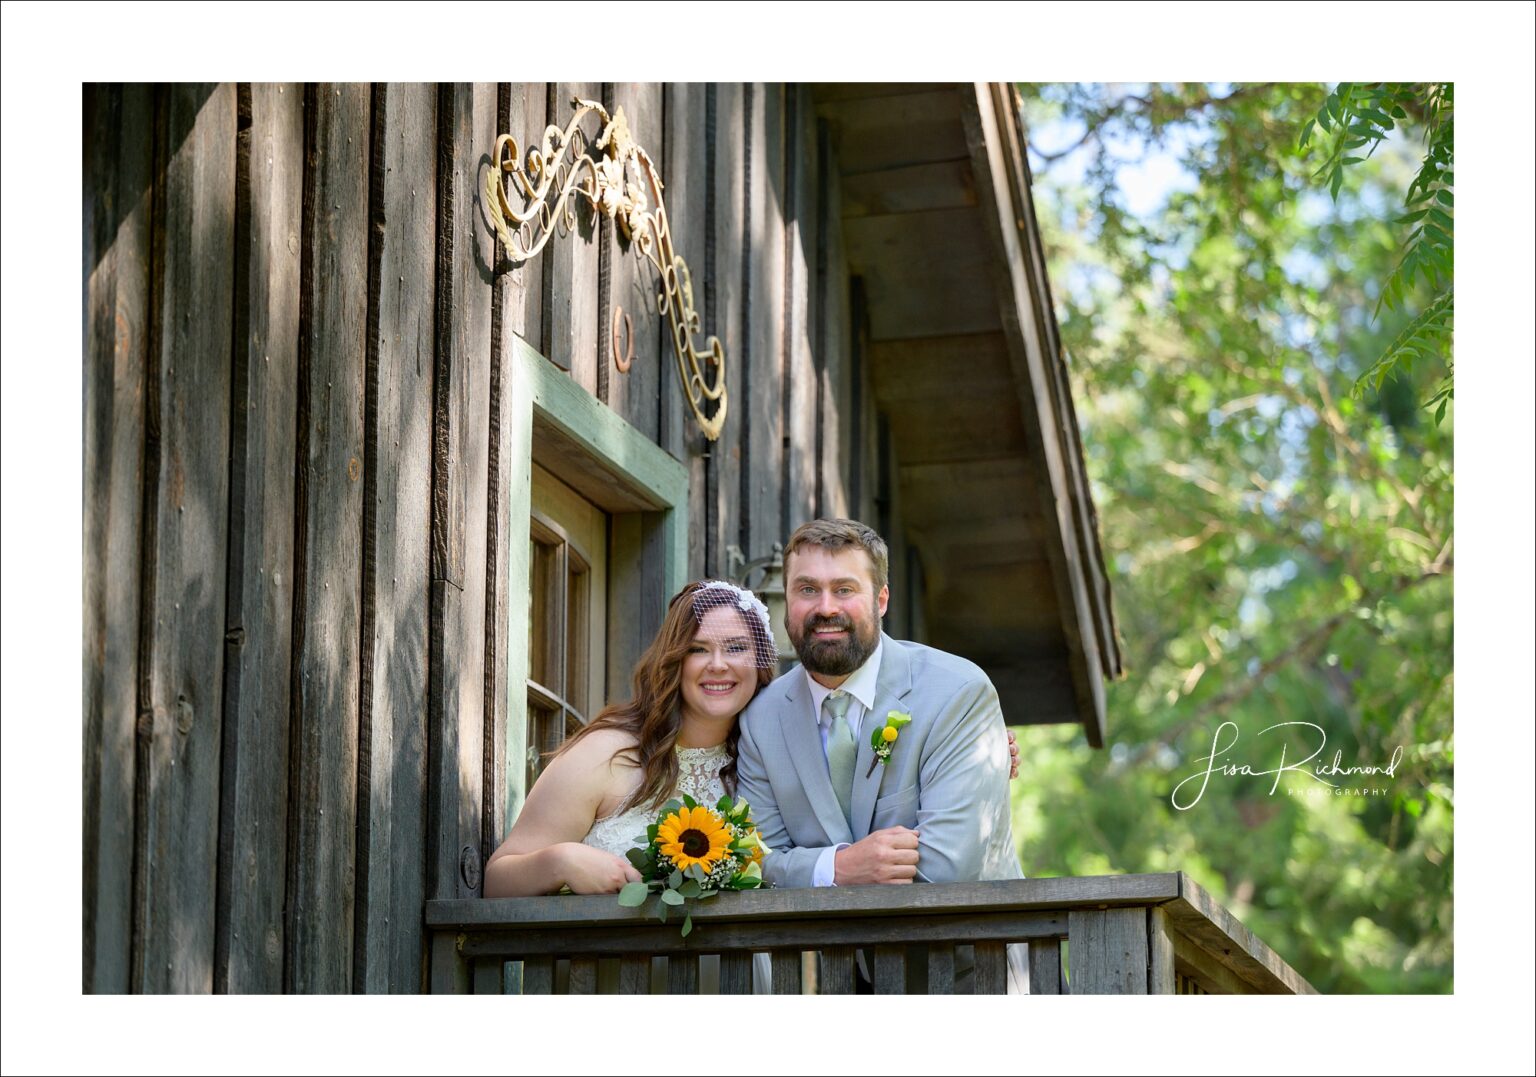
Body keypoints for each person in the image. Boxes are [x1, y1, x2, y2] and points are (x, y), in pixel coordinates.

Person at [735, 518, 1030, 993]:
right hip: (851, 985)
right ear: (787, 600)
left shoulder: (957, 693)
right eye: (807, 589)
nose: (825, 607)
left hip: (979, 976)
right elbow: (757, 864)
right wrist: (841, 867)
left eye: (844, 589)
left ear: (881, 599)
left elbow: (945, 871)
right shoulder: (761, 719)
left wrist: (809, 870)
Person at [482, 580, 779, 900]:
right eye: (698, 649)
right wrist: (561, 862)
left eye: (736, 648)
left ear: (760, 662)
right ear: (674, 660)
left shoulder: (766, 765)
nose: (718, 665)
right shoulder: (604, 755)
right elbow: (497, 883)